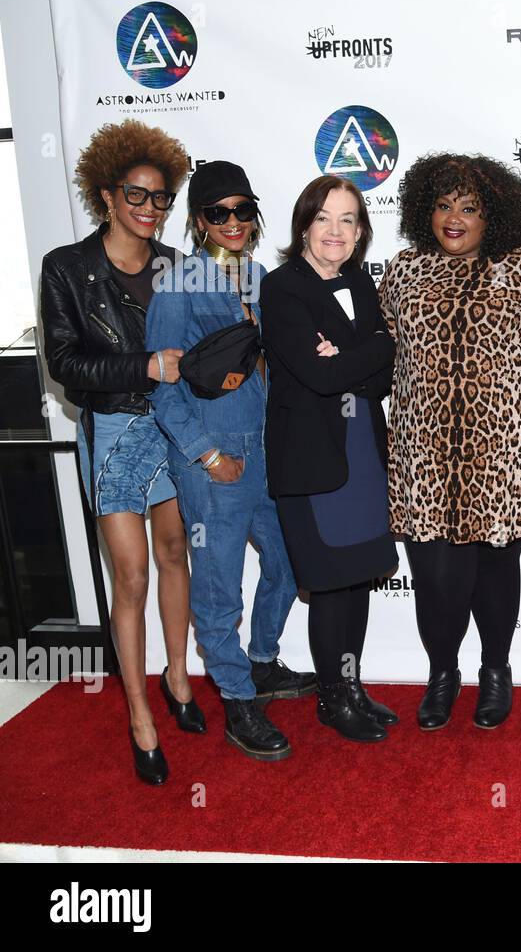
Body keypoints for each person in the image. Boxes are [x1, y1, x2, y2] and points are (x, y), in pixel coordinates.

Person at [380, 153, 521, 731]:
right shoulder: (404, 271)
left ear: (496, 217)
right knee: (435, 579)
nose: (455, 218)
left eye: (470, 208)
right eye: (443, 205)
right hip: (424, 457)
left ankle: (495, 670)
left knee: (494, 571)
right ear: (423, 211)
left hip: (505, 457)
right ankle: (443, 672)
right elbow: (383, 353)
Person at [39, 119, 198, 785]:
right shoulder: (67, 268)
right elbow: (69, 366)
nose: (150, 209)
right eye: (137, 195)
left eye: (161, 198)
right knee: (130, 575)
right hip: (111, 430)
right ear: (107, 195)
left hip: (171, 426)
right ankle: (138, 712)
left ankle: (178, 678)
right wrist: (146, 367)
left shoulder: (178, 269)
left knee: (173, 554)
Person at [146, 160, 316, 763]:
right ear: (199, 221)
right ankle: (238, 699)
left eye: (244, 210)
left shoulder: (259, 275)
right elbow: (163, 386)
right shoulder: (176, 285)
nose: (234, 221)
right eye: (220, 212)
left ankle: (262, 662)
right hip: (212, 457)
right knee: (218, 584)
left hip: (267, 448)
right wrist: (208, 453)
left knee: (293, 561)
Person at [260, 176, 399, 743]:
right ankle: (331, 700)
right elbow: (319, 375)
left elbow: (384, 369)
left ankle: (352, 686)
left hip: (363, 449)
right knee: (330, 580)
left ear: (361, 231)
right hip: (312, 460)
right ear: (304, 225)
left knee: (360, 577)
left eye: (348, 220)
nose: (335, 231)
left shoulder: (362, 283)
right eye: (324, 218)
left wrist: (357, 353)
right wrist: (366, 350)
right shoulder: (281, 289)